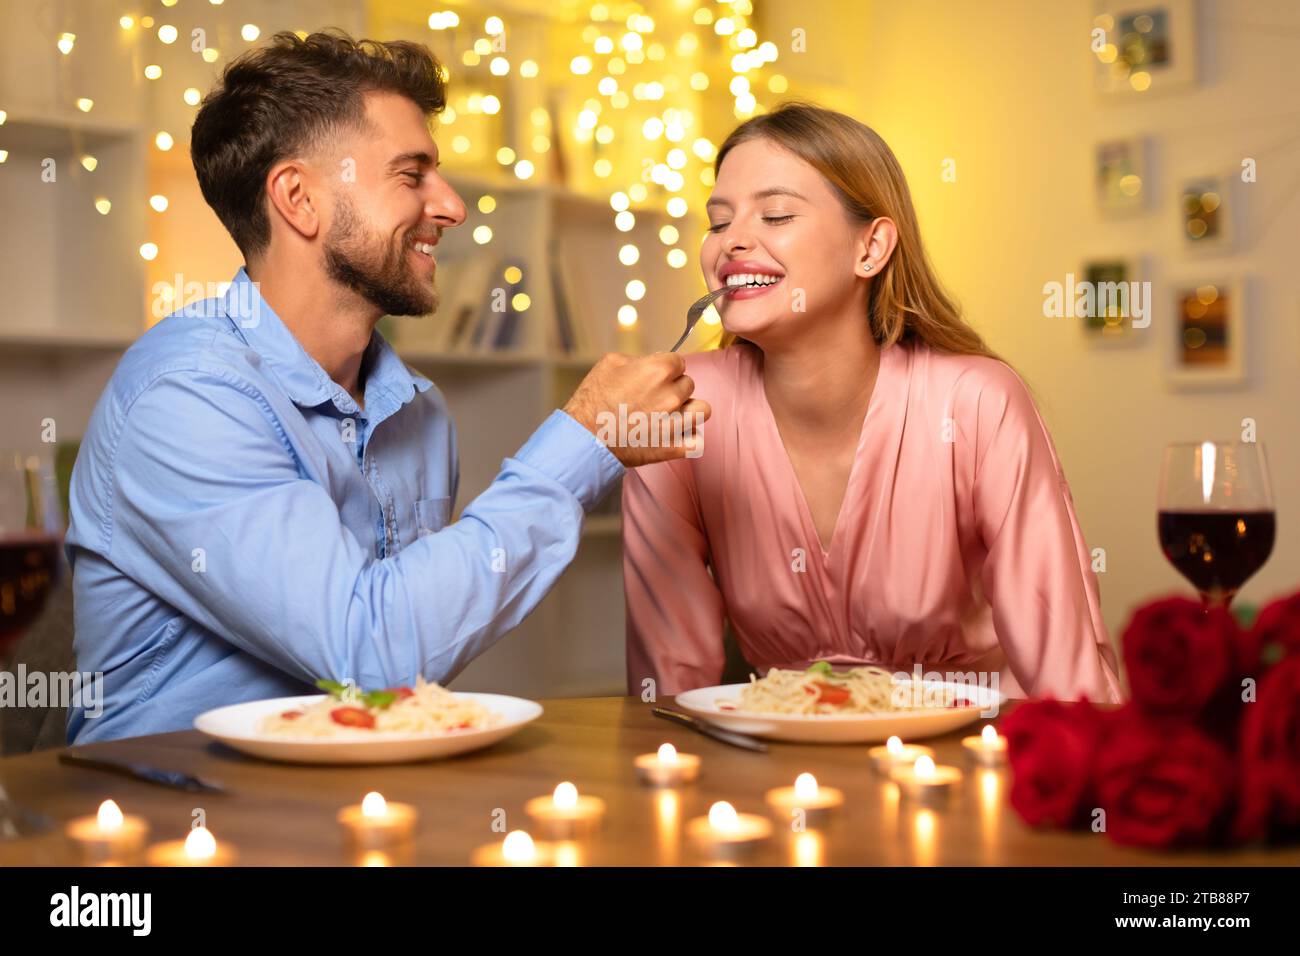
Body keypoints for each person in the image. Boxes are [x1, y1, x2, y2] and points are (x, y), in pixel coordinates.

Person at [65, 30, 708, 743]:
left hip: (354, 813)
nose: (452, 207)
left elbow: (408, 671)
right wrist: (585, 440)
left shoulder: (417, 413)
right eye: (412, 175)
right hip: (173, 822)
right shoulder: (185, 398)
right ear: (299, 199)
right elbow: (370, 651)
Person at [623, 103, 1121, 703]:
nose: (732, 243)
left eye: (776, 214)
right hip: (787, 765)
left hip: (980, 759)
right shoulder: (679, 408)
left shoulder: (977, 402)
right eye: (718, 222)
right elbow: (669, 692)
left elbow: (1070, 682)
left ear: (872, 247)